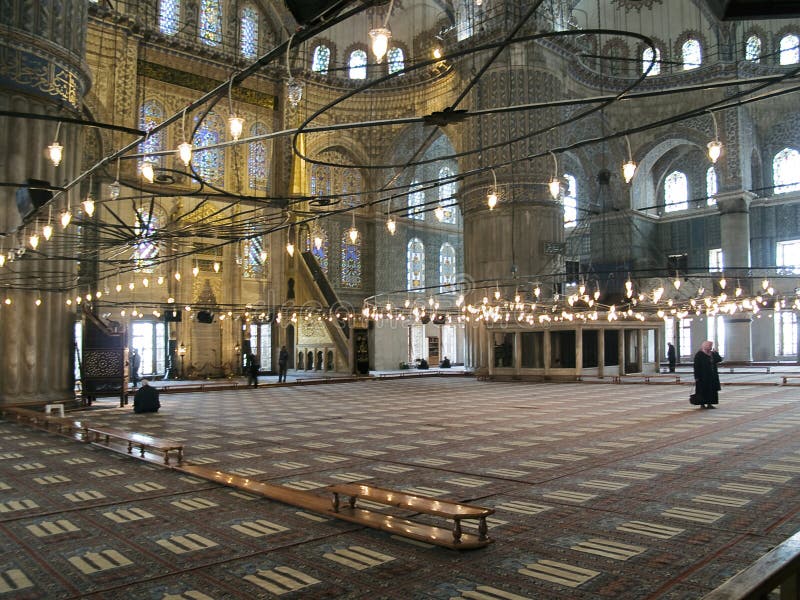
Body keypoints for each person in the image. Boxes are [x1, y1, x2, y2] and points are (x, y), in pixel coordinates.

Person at [693, 340, 723, 409]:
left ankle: (710, 403)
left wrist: (716, 353)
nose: (710, 347)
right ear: (704, 346)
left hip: (712, 376)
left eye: (711, 346)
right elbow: (696, 366)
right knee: (702, 390)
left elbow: (719, 359)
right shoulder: (699, 354)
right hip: (702, 376)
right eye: (709, 346)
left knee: (712, 390)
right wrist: (696, 376)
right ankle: (702, 404)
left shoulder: (712, 354)